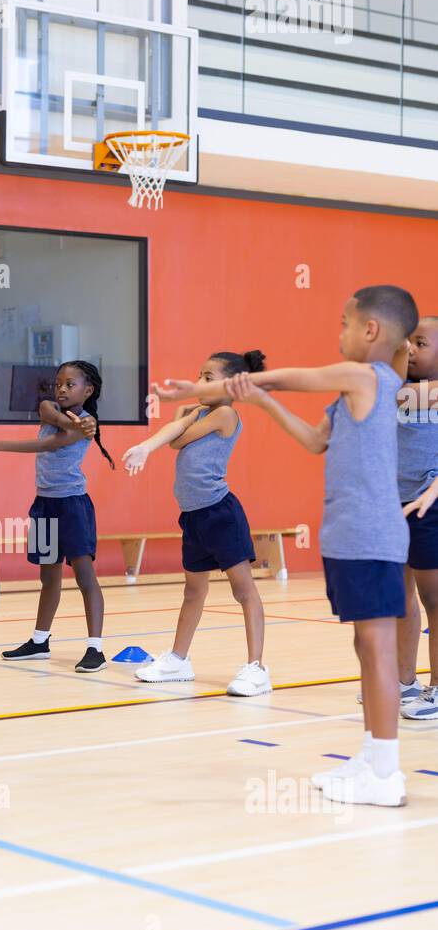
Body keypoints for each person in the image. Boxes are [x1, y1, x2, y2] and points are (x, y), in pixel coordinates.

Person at [157, 285, 418, 808]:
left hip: (371, 537)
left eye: (345, 322)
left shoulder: (368, 375)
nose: (339, 332)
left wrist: (216, 386)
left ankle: (386, 772)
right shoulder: (350, 395)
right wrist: (260, 400)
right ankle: (372, 755)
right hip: (348, 538)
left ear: (370, 331)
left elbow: (298, 376)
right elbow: (312, 439)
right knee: (366, 648)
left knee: (379, 651)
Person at [123, 350, 271, 697]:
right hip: (193, 516)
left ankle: (257, 667)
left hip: (221, 514)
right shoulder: (197, 411)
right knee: (193, 591)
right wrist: (145, 447)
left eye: (208, 377)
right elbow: (174, 428)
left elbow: (179, 437)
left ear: (232, 386)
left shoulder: (225, 414)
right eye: (199, 375)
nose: (200, 382)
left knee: (243, 590)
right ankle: (178, 659)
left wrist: (181, 422)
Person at [0, 361, 112, 672]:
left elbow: (46, 444)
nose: (61, 389)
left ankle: (95, 649)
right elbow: (47, 411)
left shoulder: (88, 421)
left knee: (84, 577)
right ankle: (39, 641)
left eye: (70, 384)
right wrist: (74, 425)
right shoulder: (55, 409)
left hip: (72, 506)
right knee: (48, 577)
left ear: (88, 390)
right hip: (45, 505)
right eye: (59, 383)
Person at [396, 318, 438, 720]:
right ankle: (404, 680)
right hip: (398, 503)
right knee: (402, 598)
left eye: (420, 343)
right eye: (406, 341)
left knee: (435, 599)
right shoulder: (400, 390)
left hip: (431, 503)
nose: (409, 349)